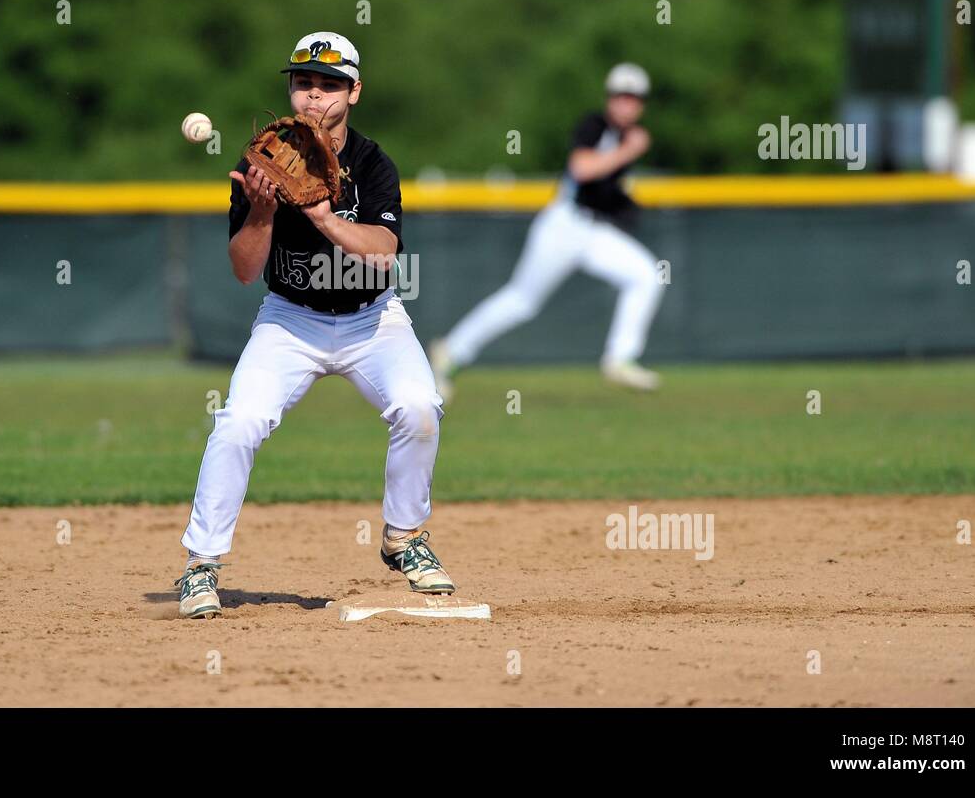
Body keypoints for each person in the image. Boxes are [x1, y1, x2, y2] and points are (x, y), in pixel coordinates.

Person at [174, 31, 456, 619]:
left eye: (329, 85)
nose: (313, 97)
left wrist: (322, 217)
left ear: (354, 92)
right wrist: (260, 212)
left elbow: (382, 253)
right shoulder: (262, 160)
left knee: (419, 408)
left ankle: (405, 538)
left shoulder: (374, 163)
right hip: (290, 320)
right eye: (303, 83)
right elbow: (246, 272)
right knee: (239, 421)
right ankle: (201, 567)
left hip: (372, 320)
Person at [431, 63, 664, 395]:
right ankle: (451, 352)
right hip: (564, 225)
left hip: (594, 232)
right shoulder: (595, 124)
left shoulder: (628, 137)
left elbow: (604, 187)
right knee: (522, 300)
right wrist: (628, 151)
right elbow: (581, 169)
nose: (627, 104)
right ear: (610, 98)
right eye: (622, 96)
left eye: (635, 98)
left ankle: (621, 359)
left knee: (646, 275)